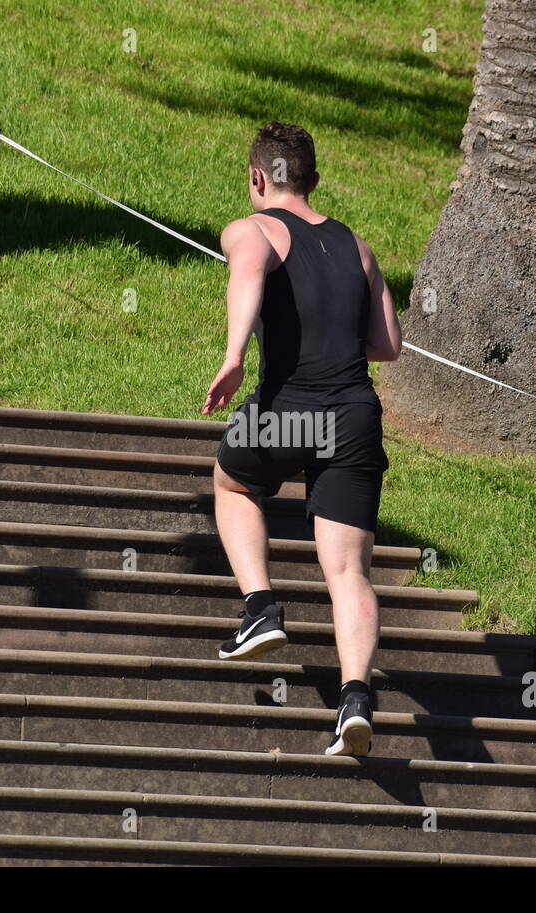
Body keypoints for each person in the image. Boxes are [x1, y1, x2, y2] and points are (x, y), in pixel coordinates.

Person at [200, 122, 402, 757]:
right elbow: (386, 346)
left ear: (259, 178)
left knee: (233, 481)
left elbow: (249, 271)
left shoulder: (250, 229)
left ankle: (259, 606)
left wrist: (234, 354)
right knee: (349, 571)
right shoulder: (357, 247)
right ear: (312, 178)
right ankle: (355, 702)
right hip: (354, 415)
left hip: (291, 408)